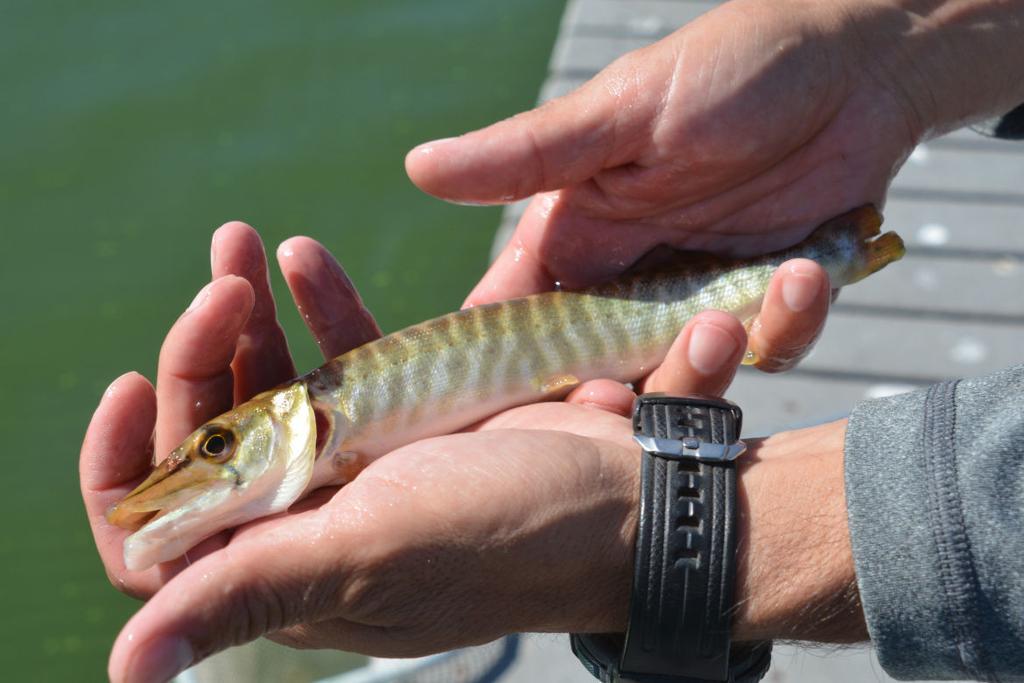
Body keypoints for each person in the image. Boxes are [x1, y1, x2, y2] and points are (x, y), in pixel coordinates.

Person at [80, 0, 1024, 681]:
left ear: (302, 425)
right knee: (745, 301)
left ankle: (837, 251)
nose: (206, 459)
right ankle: (834, 249)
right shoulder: (322, 433)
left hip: (640, 318)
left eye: (219, 447)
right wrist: (890, 51)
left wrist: (635, 546)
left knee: (757, 292)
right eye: (217, 447)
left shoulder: (324, 420)